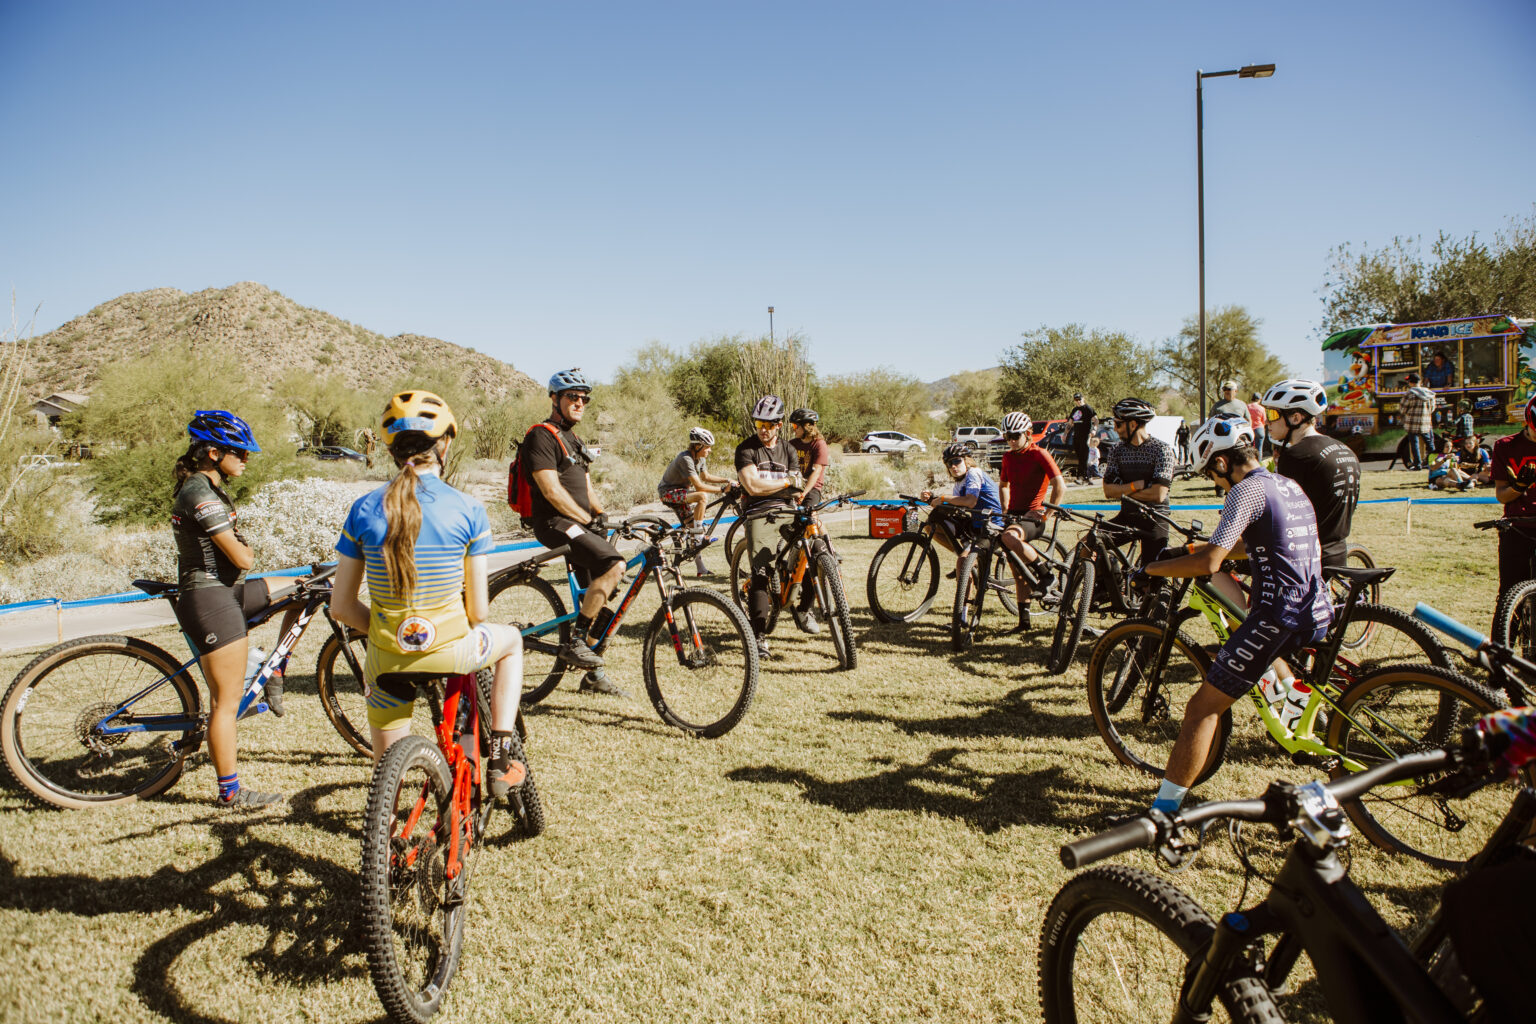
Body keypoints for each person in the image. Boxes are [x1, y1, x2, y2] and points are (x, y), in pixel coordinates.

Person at [329, 391, 527, 799]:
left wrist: (388, 631)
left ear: (390, 450)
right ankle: (500, 757)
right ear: (445, 444)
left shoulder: (363, 509)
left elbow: (341, 606)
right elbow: (478, 611)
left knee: (387, 777)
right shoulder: (468, 508)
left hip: (386, 659)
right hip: (452, 652)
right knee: (512, 642)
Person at [1142, 415, 1331, 814]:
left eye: (1212, 475)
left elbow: (1210, 564)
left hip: (1278, 614)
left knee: (1200, 710)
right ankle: (1291, 706)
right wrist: (1194, 550)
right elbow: (1252, 542)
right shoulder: (1285, 484)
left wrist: (1151, 569)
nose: (1217, 483)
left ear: (1222, 462)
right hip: (1316, 606)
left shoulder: (1244, 491)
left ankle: (1164, 811)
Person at [170, 411, 302, 808]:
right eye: (240, 453)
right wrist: (247, 549)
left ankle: (275, 669)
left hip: (228, 591)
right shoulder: (199, 494)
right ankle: (230, 792)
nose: (246, 459)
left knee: (307, 588)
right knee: (225, 705)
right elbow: (243, 557)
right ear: (214, 453)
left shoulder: (211, 487)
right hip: (210, 598)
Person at [523, 368, 627, 696]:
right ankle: (577, 642)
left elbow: (585, 486)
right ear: (555, 399)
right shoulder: (541, 436)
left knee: (605, 601)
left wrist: (600, 514)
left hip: (578, 524)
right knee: (614, 565)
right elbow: (551, 491)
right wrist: (584, 518)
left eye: (584, 399)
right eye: (573, 397)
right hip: (555, 523)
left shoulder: (575, 440)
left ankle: (593, 677)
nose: (580, 403)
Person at [1263, 379, 1360, 569]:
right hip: (1337, 551)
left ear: (1296, 418)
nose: (1267, 421)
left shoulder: (1297, 456)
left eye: (1272, 414)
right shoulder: (1344, 449)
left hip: (1304, 558)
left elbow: (1282, 512)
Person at [735, 396, 802, 657]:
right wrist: (785, 483)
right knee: (761, 571)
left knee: (811, 552)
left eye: (769, 424)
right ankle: (759, 635)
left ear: (779, 425)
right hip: (758, 513)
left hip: (788, 510)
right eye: (759, 424)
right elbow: (752, 487)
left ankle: (804, 610)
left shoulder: (789, 450)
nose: (763, 429)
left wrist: (787, 488)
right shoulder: (746, 449)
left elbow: (798, 487)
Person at [997, 411, 1063, 632]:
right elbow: (1003, 485)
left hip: (1033, 515)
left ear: (1027, 433)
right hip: (1014, 515)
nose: (1011, 441)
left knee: (1009, 537)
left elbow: (1059, 485)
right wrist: (1004, 510)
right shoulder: (1008, 457)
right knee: (1018, 571)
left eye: (1015, 436)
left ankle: (1046, 575)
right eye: (1007, 436)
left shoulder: (1040, 454)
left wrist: (1047, 514)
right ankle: (1024, 623)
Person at [1101, 397, 1176, 564]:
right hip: (1127, 516)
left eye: (1118, 424)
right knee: (1089, 543)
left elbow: (1158, 494)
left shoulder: (1162, 450)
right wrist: (1137, 486)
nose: (1115, 429)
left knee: (1150, 572)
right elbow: (1108, 491)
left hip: (1155, 519)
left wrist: (1123, 491)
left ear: (1133, 424)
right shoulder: (1116, 450)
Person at [658, 426, 736, 576]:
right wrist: (722, 490)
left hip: (681, 492)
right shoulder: (685, 458)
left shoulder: (700, 458)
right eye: (707, 447)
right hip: (668, 492)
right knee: (702, 496)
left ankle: (701, 569)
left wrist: (727, 480)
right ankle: (699, 537)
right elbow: (699, 486)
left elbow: (706, 477)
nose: (710, 450)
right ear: (698, 446)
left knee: (693, 527)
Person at [1491, 396, 1536, 625]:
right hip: (1518, 525)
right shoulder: (1506, 446)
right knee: (1509, 593)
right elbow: (1501, 495)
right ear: (1528, 422)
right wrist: (1518, 487)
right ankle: (1503, 642)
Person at [920, 442, 1004, 559]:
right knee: (930, 527)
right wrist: (932, 498)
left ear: (966, 461)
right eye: (949, 464)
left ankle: (966, 561)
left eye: (957, 461)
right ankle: (963, 557)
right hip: (977, 524)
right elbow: (957, 503)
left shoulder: (973, 473)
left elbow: (970, 502)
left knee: (963, 561)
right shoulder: (959, 483)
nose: (953, 466)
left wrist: (943, 498)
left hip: (993, 524)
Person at [788, 408, 831, 508]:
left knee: (809, 513)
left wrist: (804, 493)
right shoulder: (792, 444)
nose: (793, 429)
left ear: (806, 427)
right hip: (795, 486)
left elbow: (816, 472)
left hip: (812, 488)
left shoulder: (819, 444)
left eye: (795, 426)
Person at [1398, 372, 1436, 471]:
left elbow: (1402, 409)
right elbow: (1432, 409)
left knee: (1414, 444)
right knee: (1430, 444)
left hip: (1412, 423)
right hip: (1426, 423)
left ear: (1411, 383)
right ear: (1420, 382)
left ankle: (1417, 464)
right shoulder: (1429, 394)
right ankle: (1433, 463)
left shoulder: (1409, 394)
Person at [1068, 393, 1096, 482]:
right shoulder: (1075, 410)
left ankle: (1081, 476)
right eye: (1076, 400)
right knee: (1080, 456)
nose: (1078, 401)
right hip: (1077, 435)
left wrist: (1094, 429)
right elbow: (1070, 423)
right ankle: (1087, 476)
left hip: (1085, 435)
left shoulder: (1088, 408)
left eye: (1079, 399)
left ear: (1083, 398)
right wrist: (1065, 434)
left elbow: (1096, 420)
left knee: (1084, 455)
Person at [1246, 392, 1267, 458]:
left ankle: (1251, 462)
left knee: (1250, 449)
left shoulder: (1247, 407)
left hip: (1250, 429)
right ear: (1259, 399)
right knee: (1259, 449)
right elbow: (1264, 420)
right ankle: (1259, 462)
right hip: (1259, 429)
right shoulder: (1262, 408)